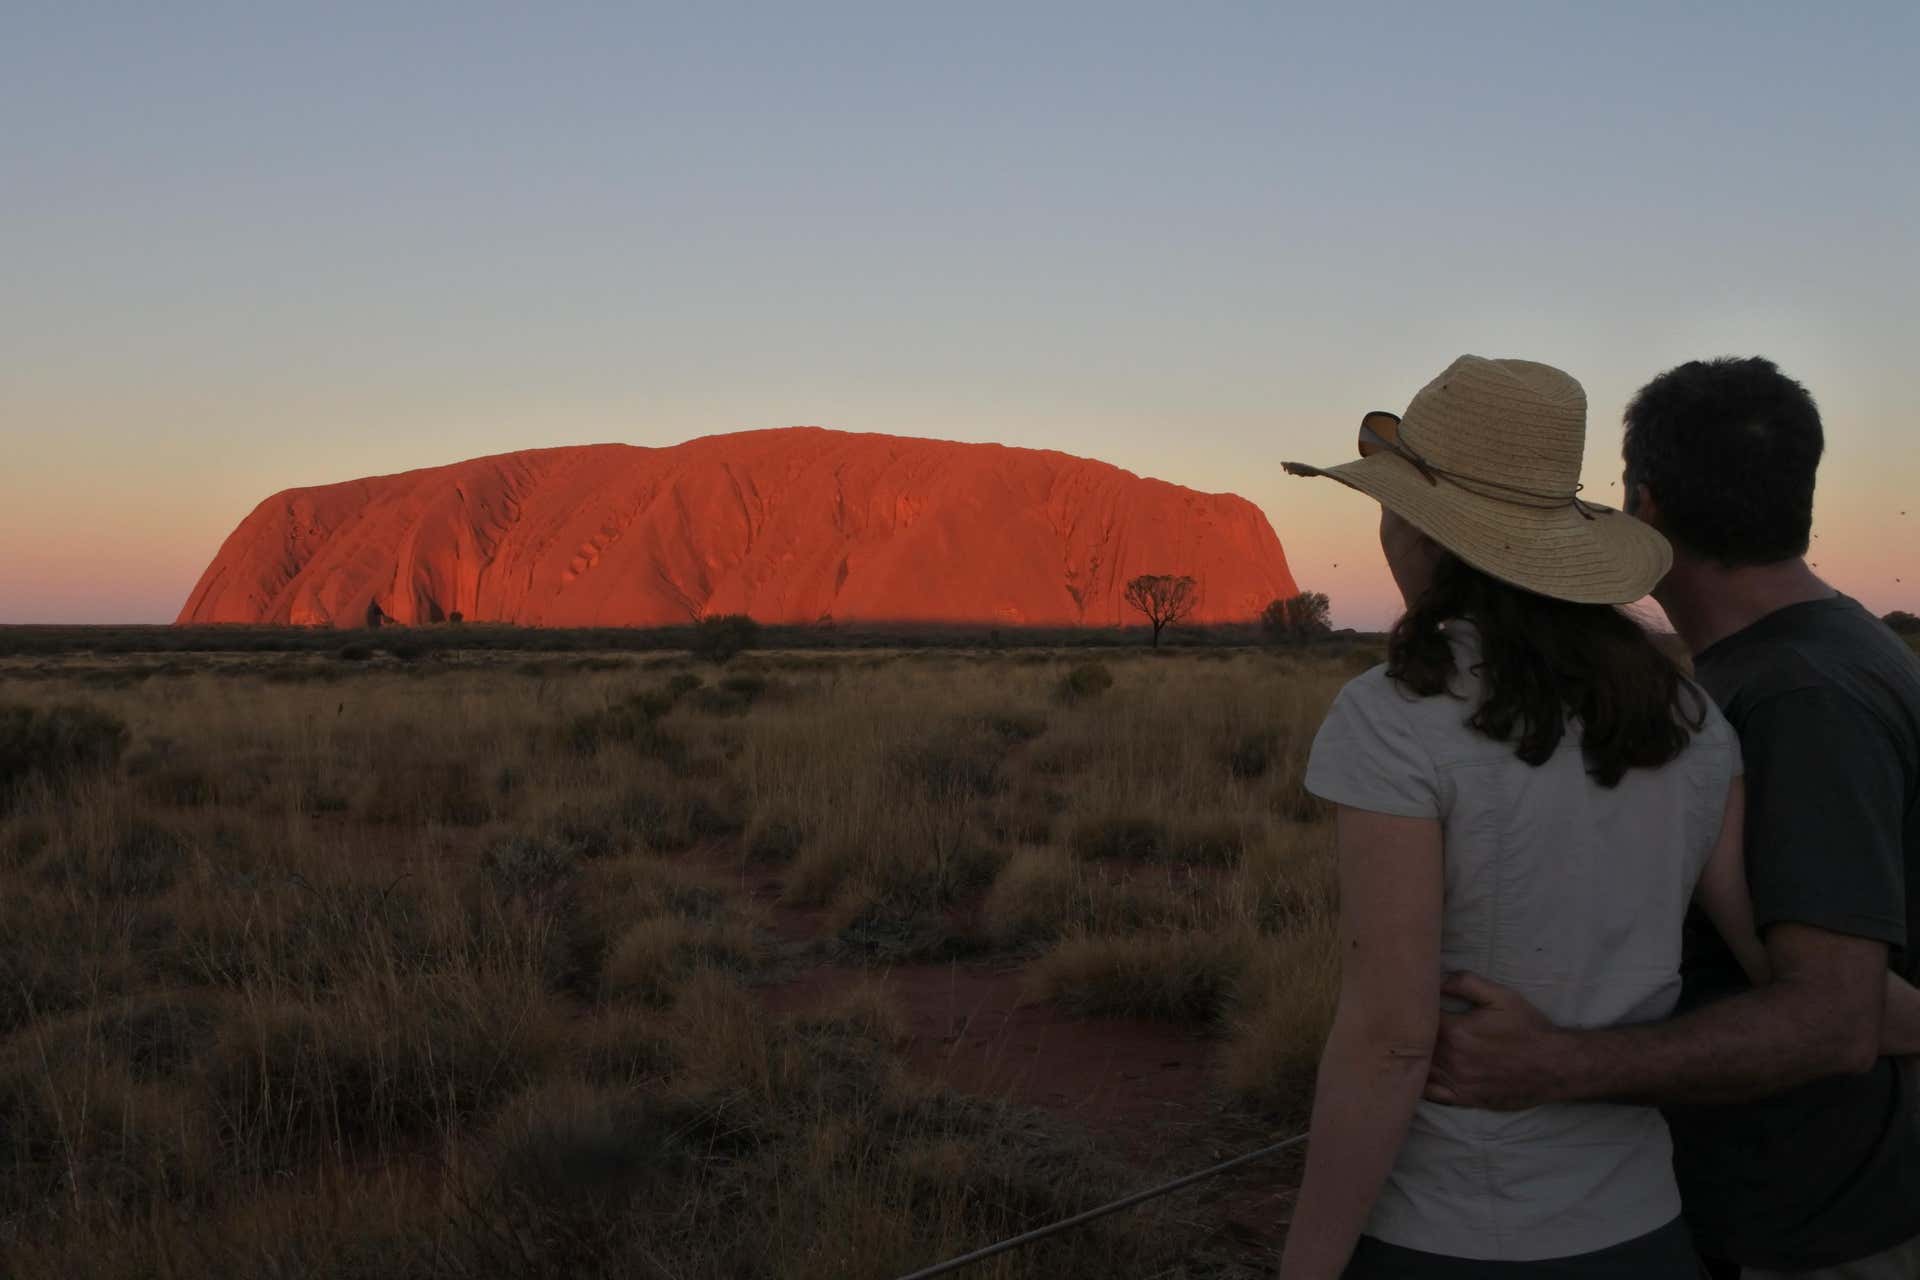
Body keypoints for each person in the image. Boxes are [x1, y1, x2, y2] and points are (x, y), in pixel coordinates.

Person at [1423, 356, 1920, 1279]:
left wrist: (1554, 1066)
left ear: (1643, 506)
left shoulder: (1801, 697)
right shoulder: (1838, 649)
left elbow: (1835, 1020)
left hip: (1819, 1229)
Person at [1275, 355, 1755, 1277]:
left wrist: (1307, 1265)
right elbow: (1776, 961)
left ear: (1423, 528)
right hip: (1647, 1229)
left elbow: (1390, 1037)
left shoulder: (1392, 719)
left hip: (1450, 1231)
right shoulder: (1693, 721)